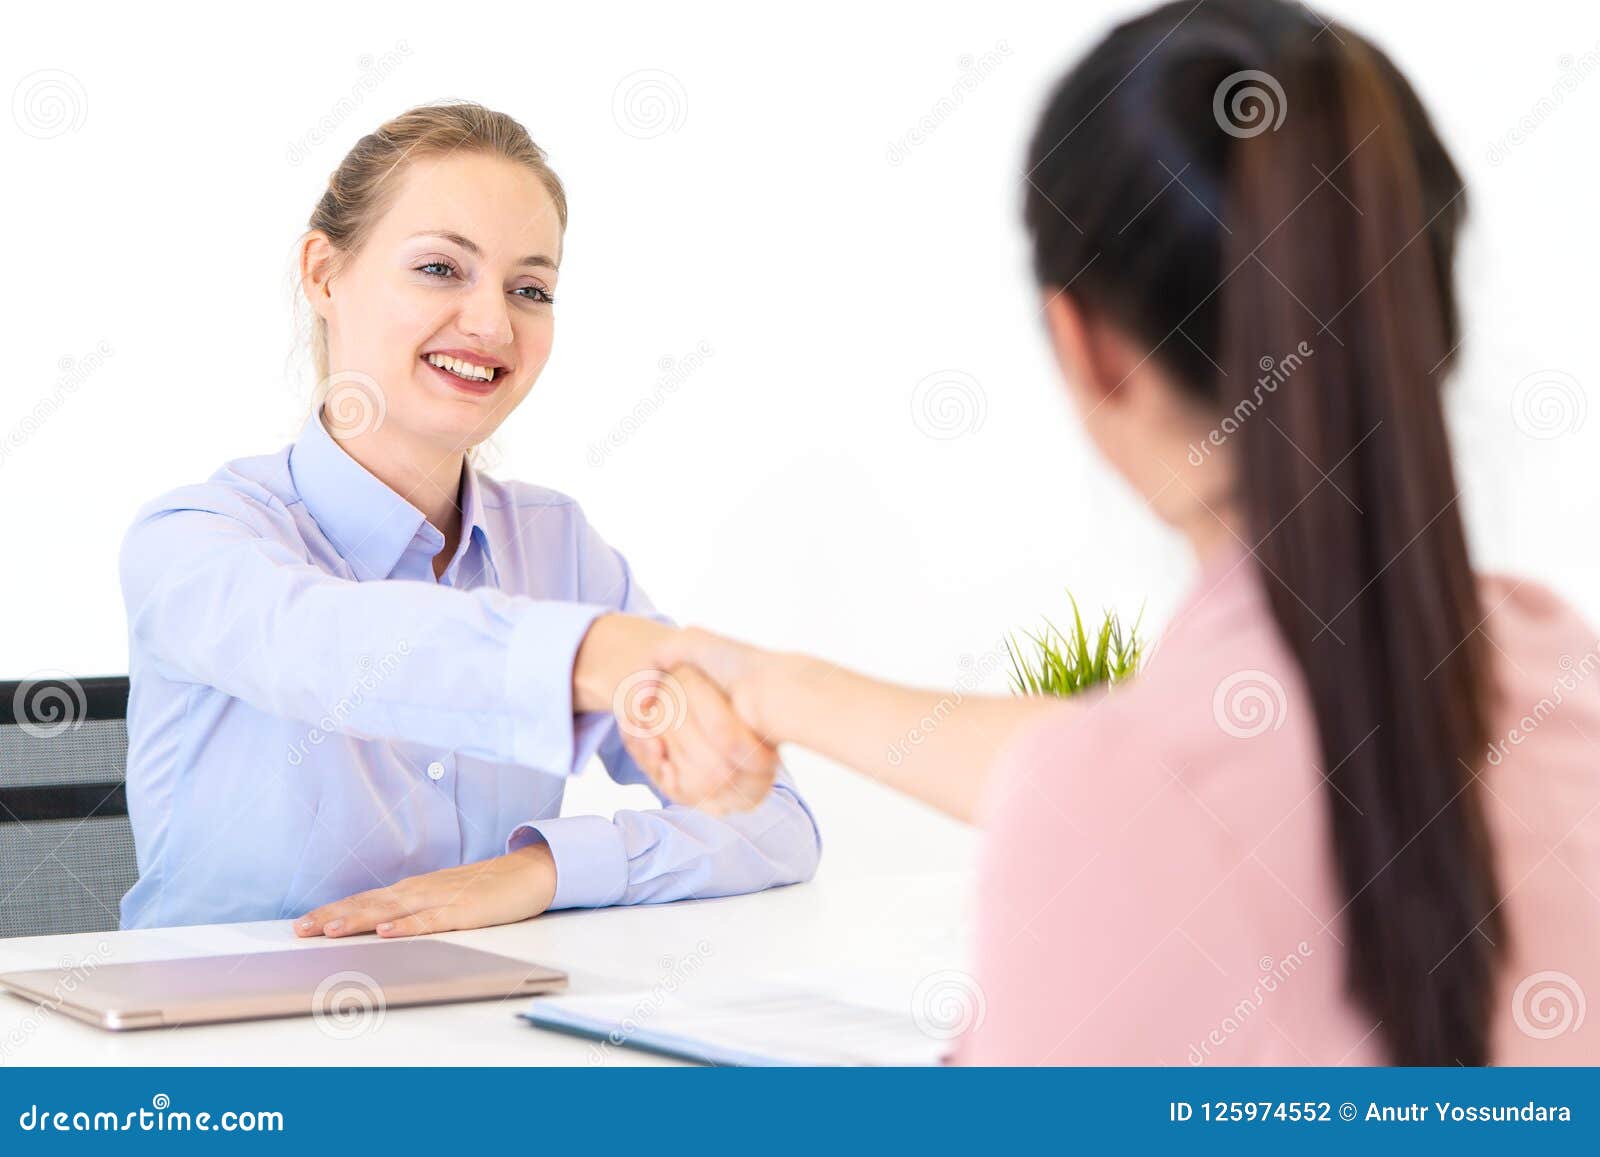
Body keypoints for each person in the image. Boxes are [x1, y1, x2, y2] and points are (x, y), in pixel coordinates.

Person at [632, 0, 1600, 1064]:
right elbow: (1180, 763)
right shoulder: (1562, 675)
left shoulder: (1118, 808)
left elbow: (1141, 787)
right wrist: (776, 687)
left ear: (1084, 344)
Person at [117, 102, 820, 934]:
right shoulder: (195, 542)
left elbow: (773, 817)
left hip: (484, 1033)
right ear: (323, 274)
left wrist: (544, 868)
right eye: (441, 269)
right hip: (217, 1047)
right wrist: (589, 657)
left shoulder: (560, 549)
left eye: (531, 289)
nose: (492, 324)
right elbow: (334, 648)